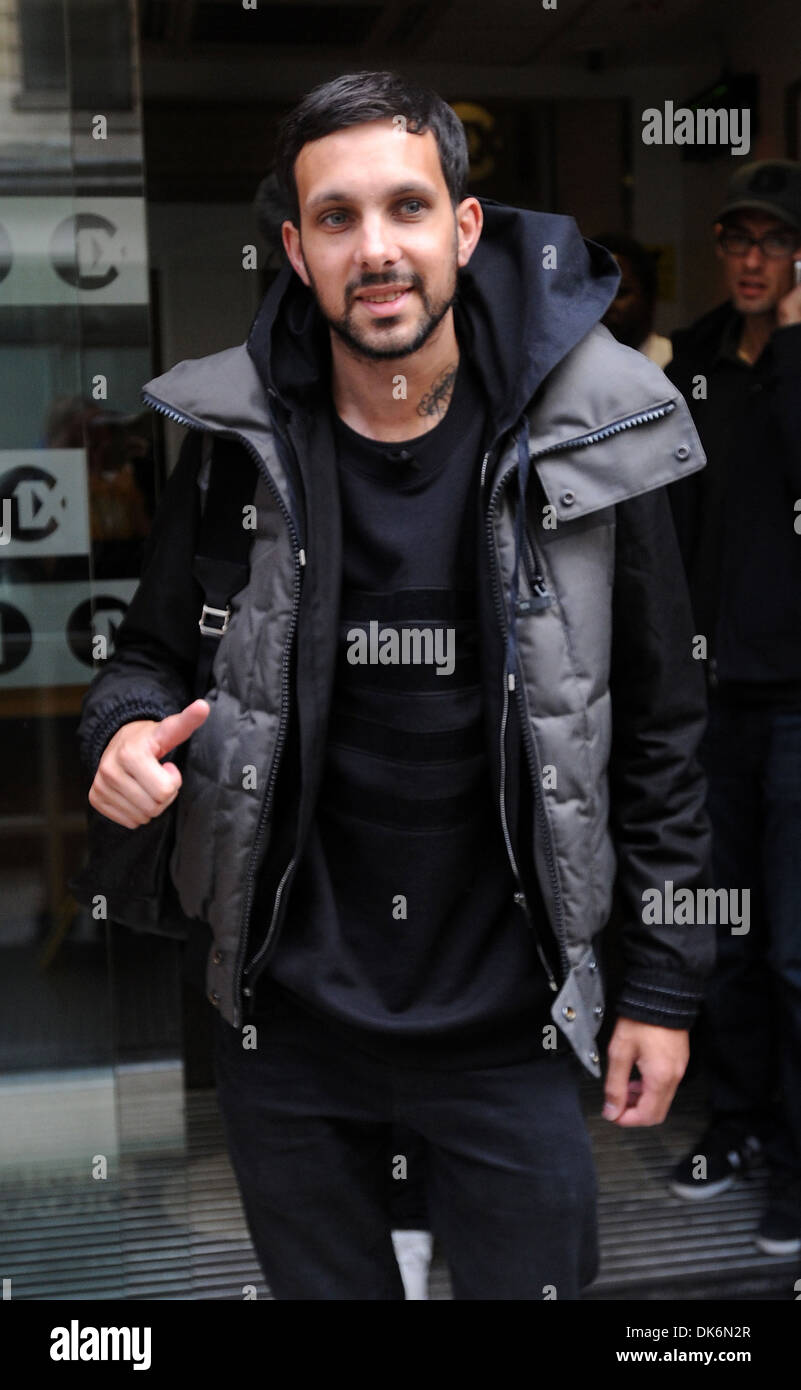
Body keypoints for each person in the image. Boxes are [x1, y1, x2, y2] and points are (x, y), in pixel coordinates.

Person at [76, 71, 712, 1300]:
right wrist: (120, 731)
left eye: (408, 207)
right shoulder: (233, 447)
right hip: (287, 1023)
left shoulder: (592, 436)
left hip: (514, 1025)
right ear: (295, 250)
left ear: (463, 231)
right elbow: (148, 656)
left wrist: (666, 983)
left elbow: (665, 729)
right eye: (336, 217)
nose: (377, 249)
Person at [666, 159, 801, 1257]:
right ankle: (742, 1122)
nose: (752, 258)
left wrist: (796, 345)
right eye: (737, 238)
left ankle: (798, 1165)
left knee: (797, 949)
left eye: (774, 240)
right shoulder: (698, 355)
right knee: (723, 937)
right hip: (716, 701)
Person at [592, 231, 672, 368]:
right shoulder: (570, 368)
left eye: (620, 293)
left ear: (649, 297)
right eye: (596, 294)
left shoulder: (675, 362)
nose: (607, 306)